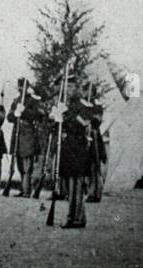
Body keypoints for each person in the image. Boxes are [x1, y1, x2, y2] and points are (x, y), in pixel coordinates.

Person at [52, 75, 93, 228]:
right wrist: (56, 117)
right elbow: (57, 127)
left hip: (78, 148)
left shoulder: (84, 106)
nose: (68, 90)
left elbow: (84, 124)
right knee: (70, 184)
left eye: (71, 87)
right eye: (66, 87)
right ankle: (74, 216)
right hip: (67, 148)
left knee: (77, 184)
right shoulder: (65, 105)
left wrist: (68, 114)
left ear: (77, 88)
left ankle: (77, 217)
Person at [6, 77, 44, 197]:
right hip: (17, 132)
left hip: (28, 133)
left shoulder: (33, 101)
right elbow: (9, 117)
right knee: (19, 163)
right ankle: (23, 188)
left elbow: (38, 115)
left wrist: (25, 112)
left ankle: (27, 189)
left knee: (27, 163)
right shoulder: (16, 100)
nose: (21, 88)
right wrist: (15, 113)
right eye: (20, 86)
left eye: (24, 86)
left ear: (28, 87)